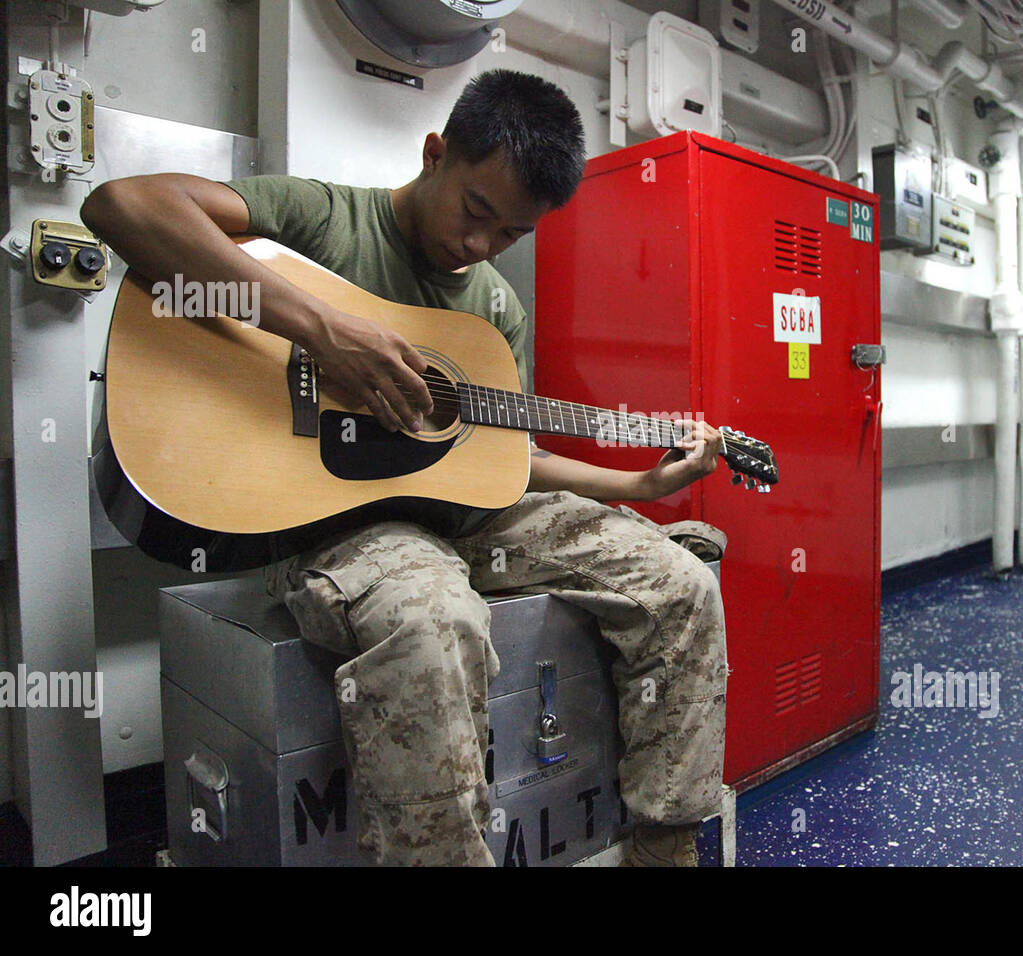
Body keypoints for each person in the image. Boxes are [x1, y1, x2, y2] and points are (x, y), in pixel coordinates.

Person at [81, 69, 728, 867]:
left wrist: (638, 486)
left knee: (682, 584)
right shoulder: (326, 217)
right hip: (338, 524)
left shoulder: (495, 309)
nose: (480, 247)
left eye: (510, 236)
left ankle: (665, 850)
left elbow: (507, 463)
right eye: (476, 211)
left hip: (469, 520)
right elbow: (124, 207)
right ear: (434, 154)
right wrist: (322, 329)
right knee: (432, 620)